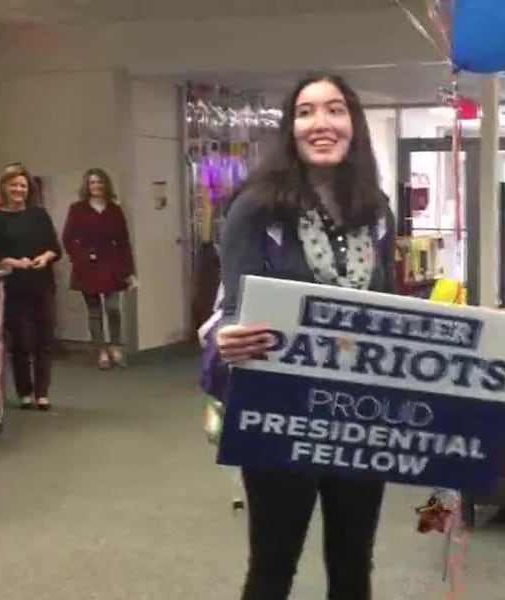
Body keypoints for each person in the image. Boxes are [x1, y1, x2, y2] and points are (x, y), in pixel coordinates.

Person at [213, 73, 396, 600]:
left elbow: (387, 306)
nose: (321, 123)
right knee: (273, 566)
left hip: (360, 411)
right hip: (280, 408)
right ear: (290, 128)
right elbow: (234, 306)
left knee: (353, 563)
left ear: (353, 124)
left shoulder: (375, 210)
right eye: (306, 111)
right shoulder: (256, 206)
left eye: (335, 110)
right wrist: (228, 336)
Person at [0, 164, 63, 411]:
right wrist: (17, 263)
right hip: (15, 285)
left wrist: (45, 258)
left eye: (23, 186)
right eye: (14, 185)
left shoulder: (39, 215)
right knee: (21, 340)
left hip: (42, 284)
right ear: (4, 187)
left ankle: (42, 392)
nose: (18, 189)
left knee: (44, 338)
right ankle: (24, 391)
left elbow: (54, 248)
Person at [61, 168, 136, 369]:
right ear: (87, 186)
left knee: (113, 308)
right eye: (92, 183)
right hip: (87, 265)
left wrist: (128, 271)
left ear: (106, 184)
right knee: (94, 311)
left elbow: (124, 241)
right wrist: (81, 257)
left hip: (112, 263)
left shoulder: (114, 209)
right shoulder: (77, 209)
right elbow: (68, 238)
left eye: (99, 182)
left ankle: (115, 346)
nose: (96, 186)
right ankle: (100, 350)